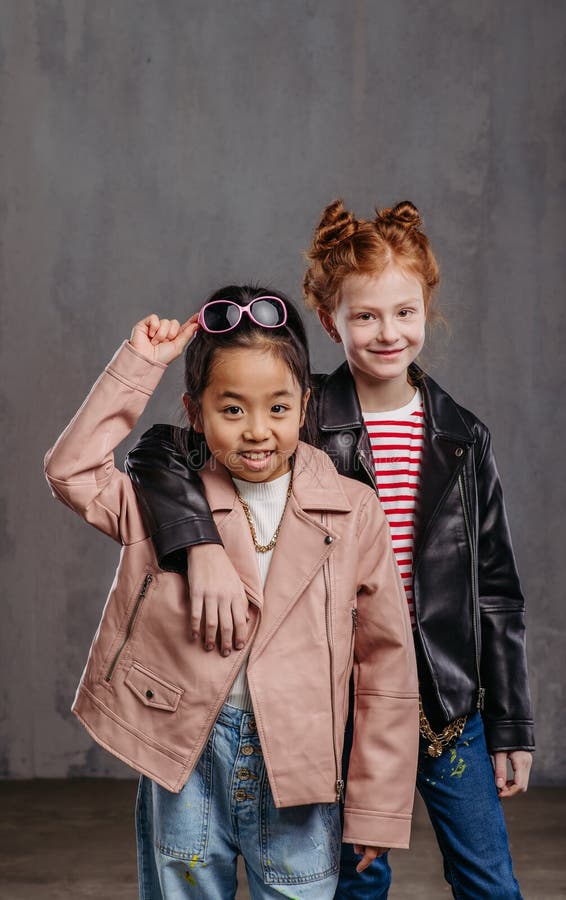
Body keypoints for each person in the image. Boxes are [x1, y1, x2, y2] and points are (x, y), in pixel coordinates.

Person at [124, 201, 536, 900]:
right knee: (354, 879)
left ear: (427, 309)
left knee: (488, 879)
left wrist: (511, 721)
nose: (388, 332)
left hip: (447, 698)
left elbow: (494, 586)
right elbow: (162, 453)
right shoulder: (287, 413)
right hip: (334, 693)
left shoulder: (462, 436)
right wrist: (202, 549)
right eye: (365, 316)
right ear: (329, 321)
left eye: (404, 312)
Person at [44, 285, 419, 900]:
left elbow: (385, 667)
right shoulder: (163, 504)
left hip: (299, 764)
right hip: (185, 754)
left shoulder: (355, 513)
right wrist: (140, 366)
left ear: (305, 405)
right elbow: (72, 472)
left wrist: (377, 804)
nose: (257, 432)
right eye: (233, 409)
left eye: (278, 407)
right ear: (196, 412)